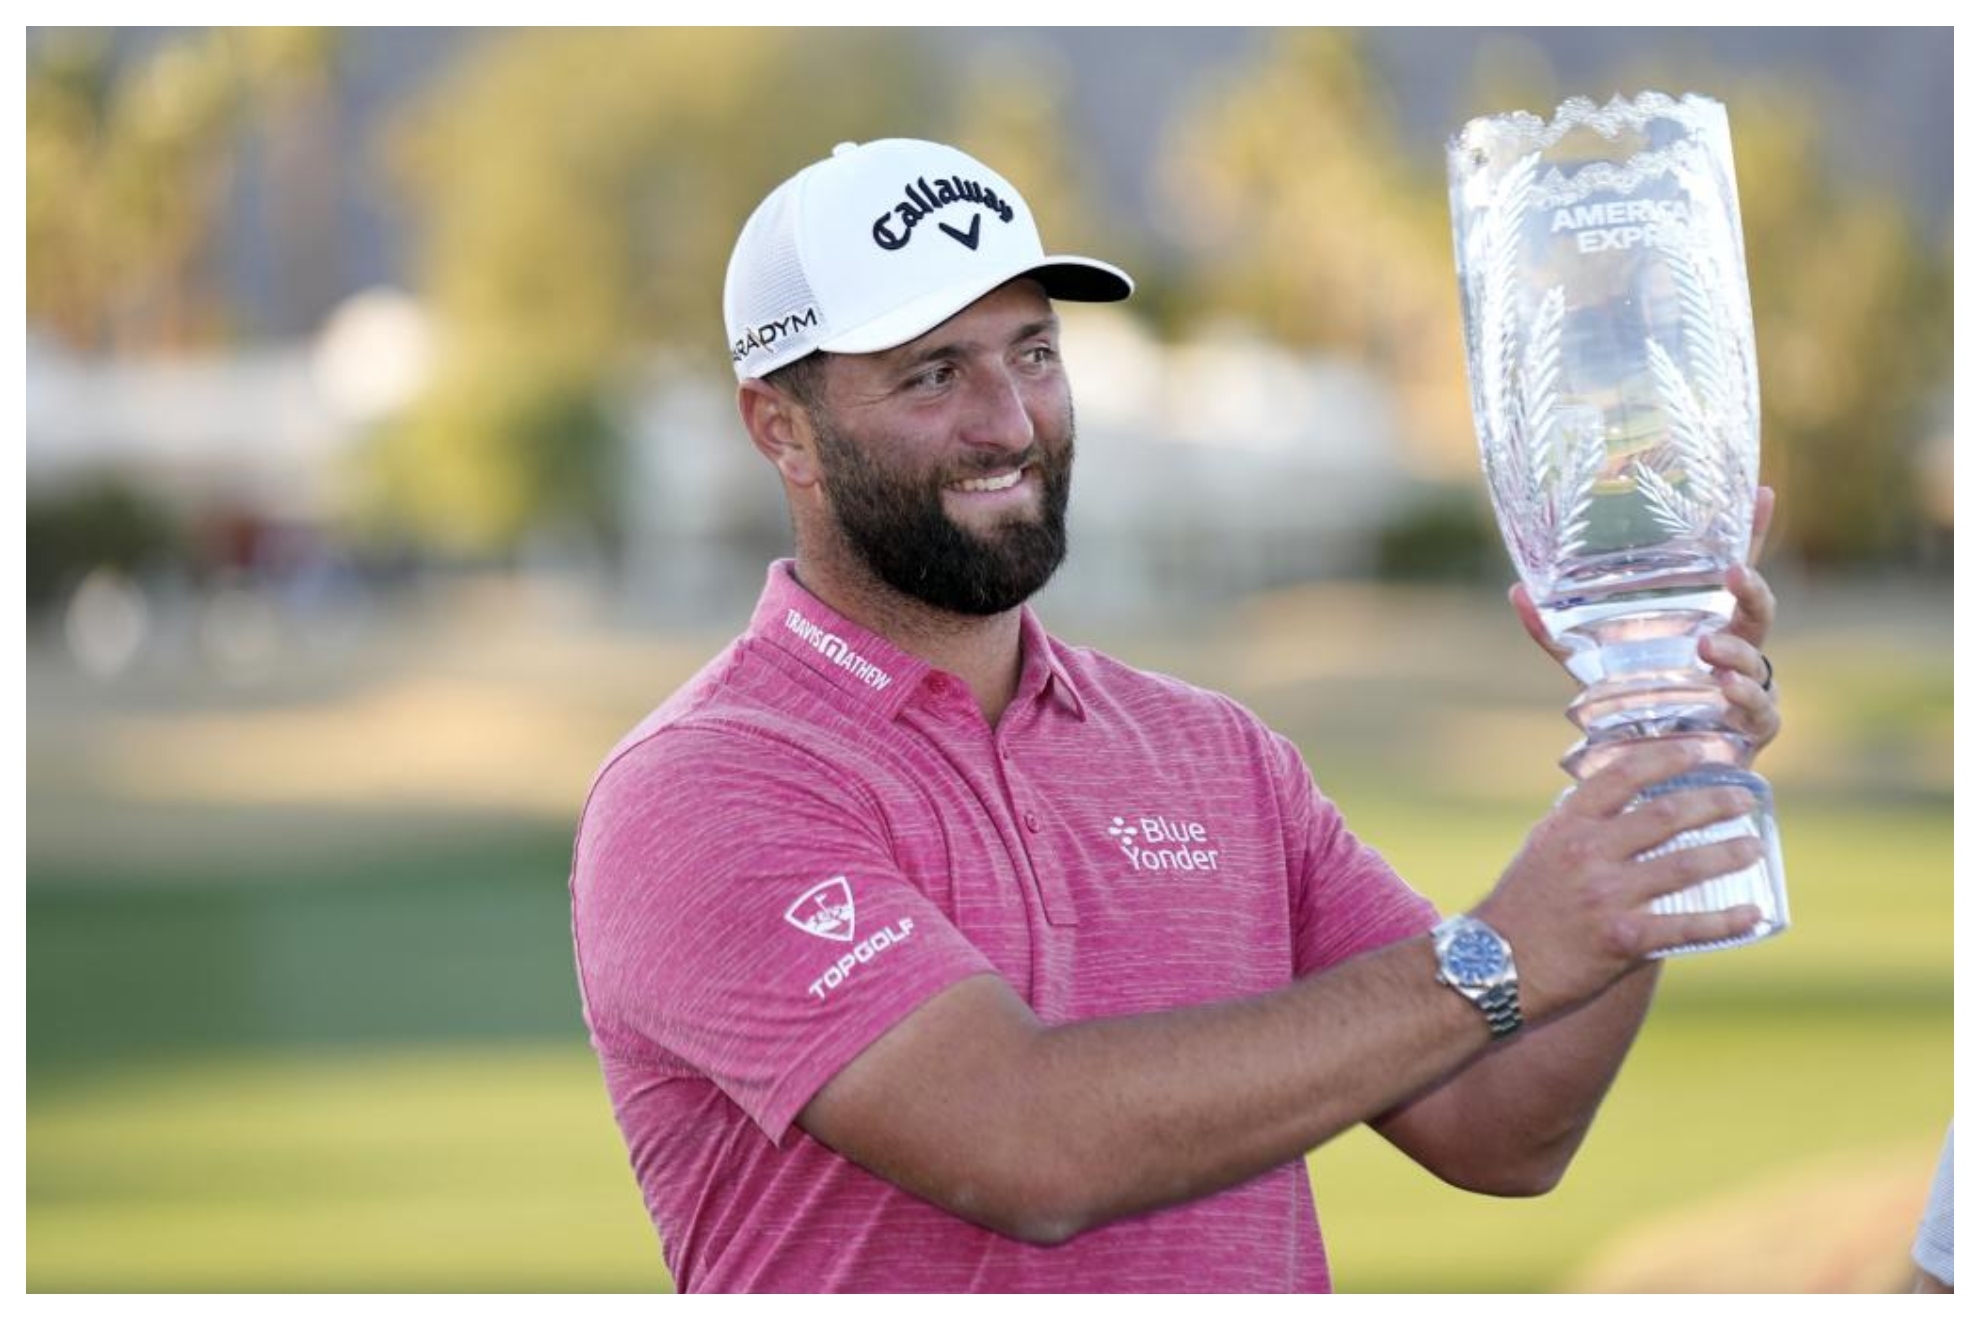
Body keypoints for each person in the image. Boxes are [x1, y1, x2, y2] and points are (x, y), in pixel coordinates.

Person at [568, 138, 1783, 1293]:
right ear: (782, 428)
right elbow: (1025, 1143)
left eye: (1034, 354)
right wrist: (1497, 952)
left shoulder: (1216, 756)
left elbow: (1500, 1127)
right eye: (934, 374)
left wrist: (1653, 751)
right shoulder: (704, 788)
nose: (1010, 422)